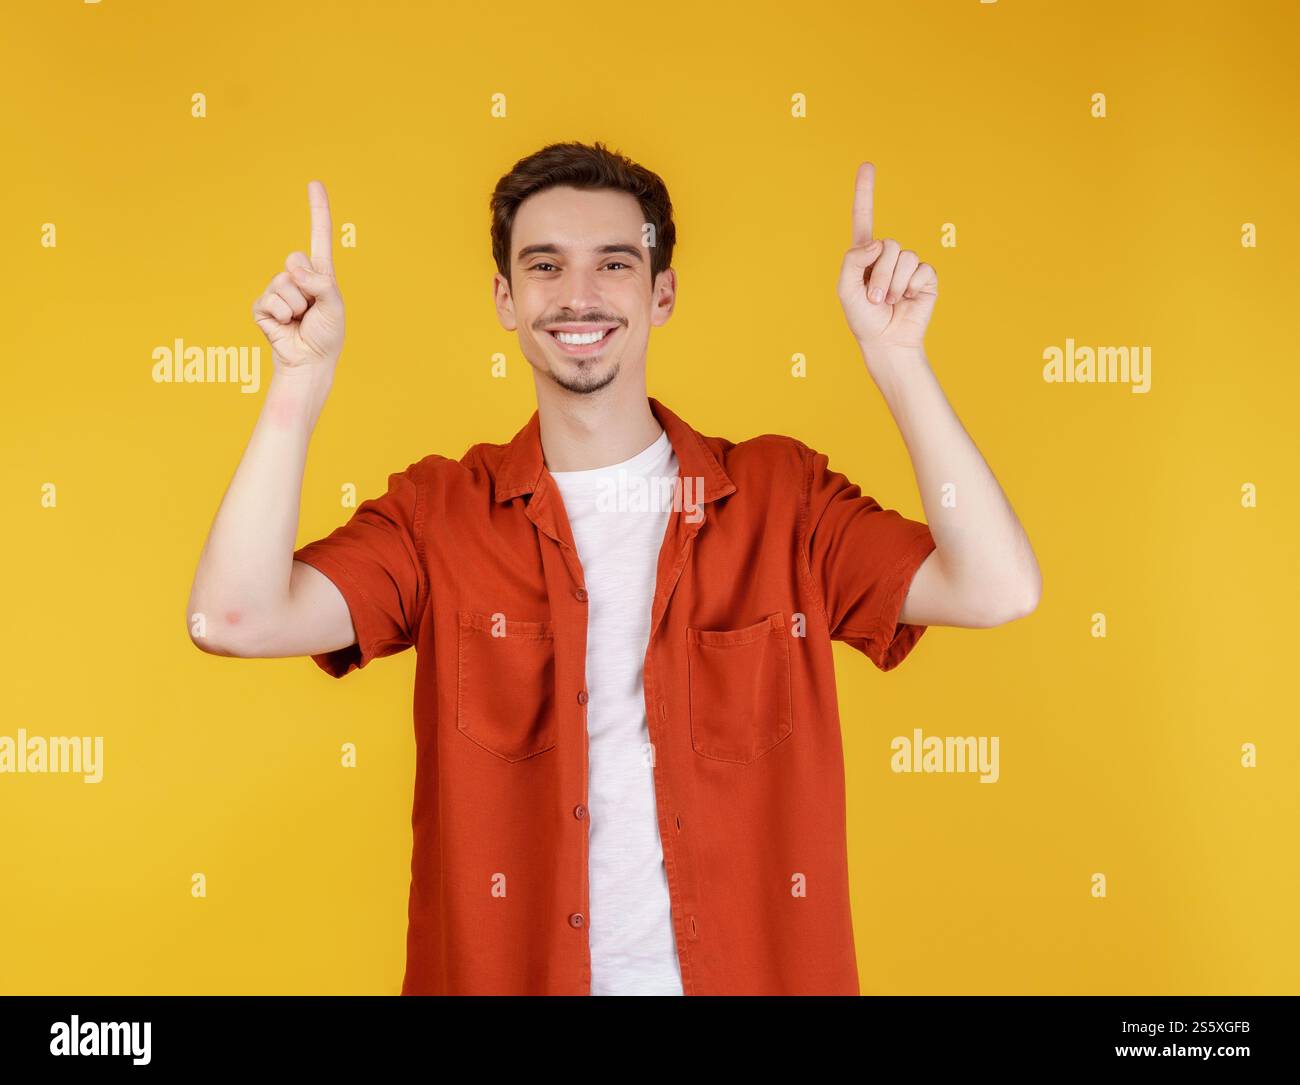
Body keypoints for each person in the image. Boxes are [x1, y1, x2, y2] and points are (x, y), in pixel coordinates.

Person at [187, 141, 1041, 995]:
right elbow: (234, 618)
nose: (579, 295)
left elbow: (997, 587)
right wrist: (299, 382)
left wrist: (898, 358)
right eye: (546, 265)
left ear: (661, 292)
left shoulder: (785, 502)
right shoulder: (439, 515)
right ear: (505, 298)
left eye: (615, 262)